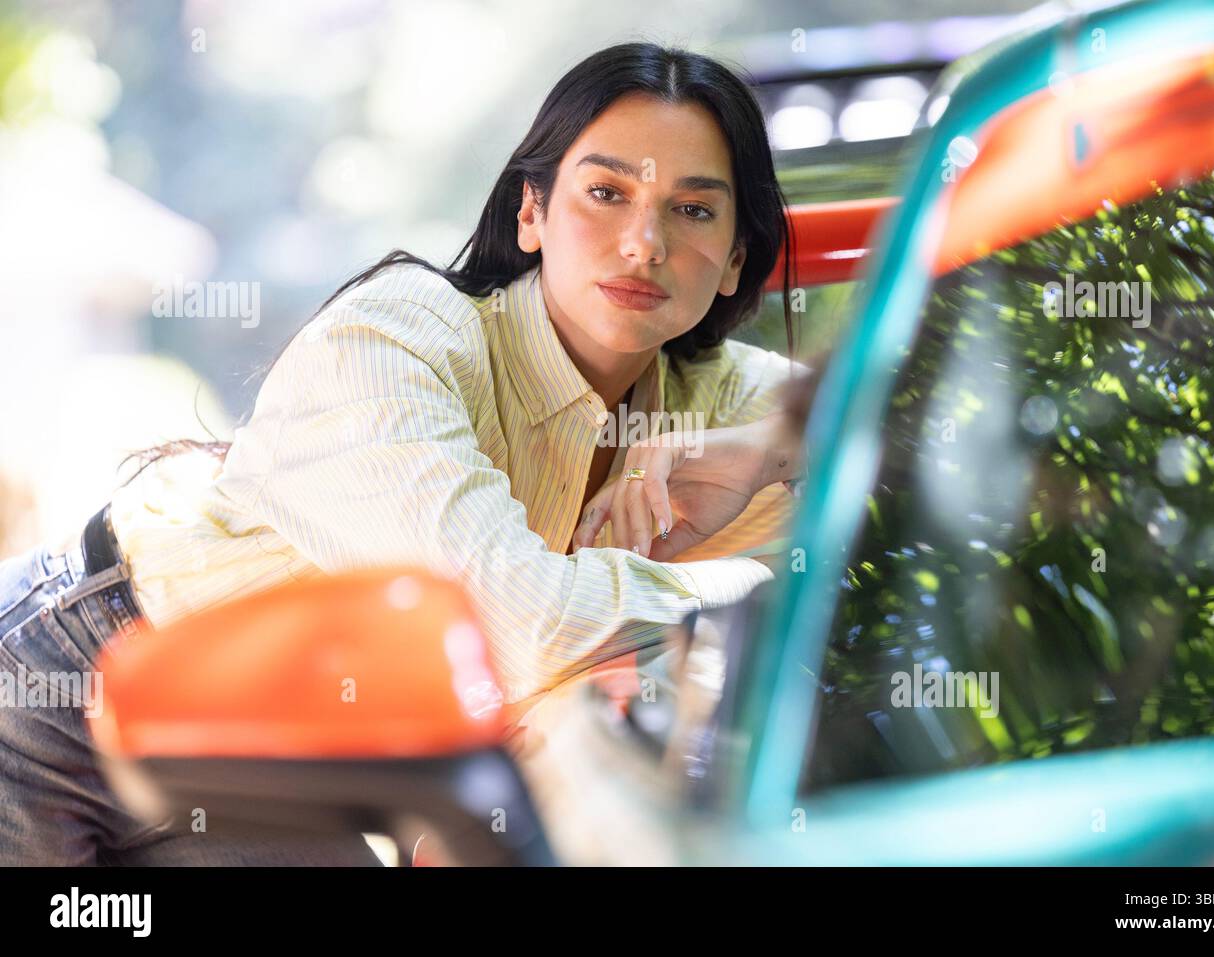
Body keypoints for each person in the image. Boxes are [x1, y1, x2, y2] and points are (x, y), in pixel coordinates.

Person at [0, 41, 809, 866]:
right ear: (531, 213)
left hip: (260, 752)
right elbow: (518, 624)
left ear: (737, 256)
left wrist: (757, 450)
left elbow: (909, 411)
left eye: (694, 210)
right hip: (54, 695)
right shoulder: (397, 338)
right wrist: (755, 601)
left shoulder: (708, 391)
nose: (645, 243)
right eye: (606, 192)